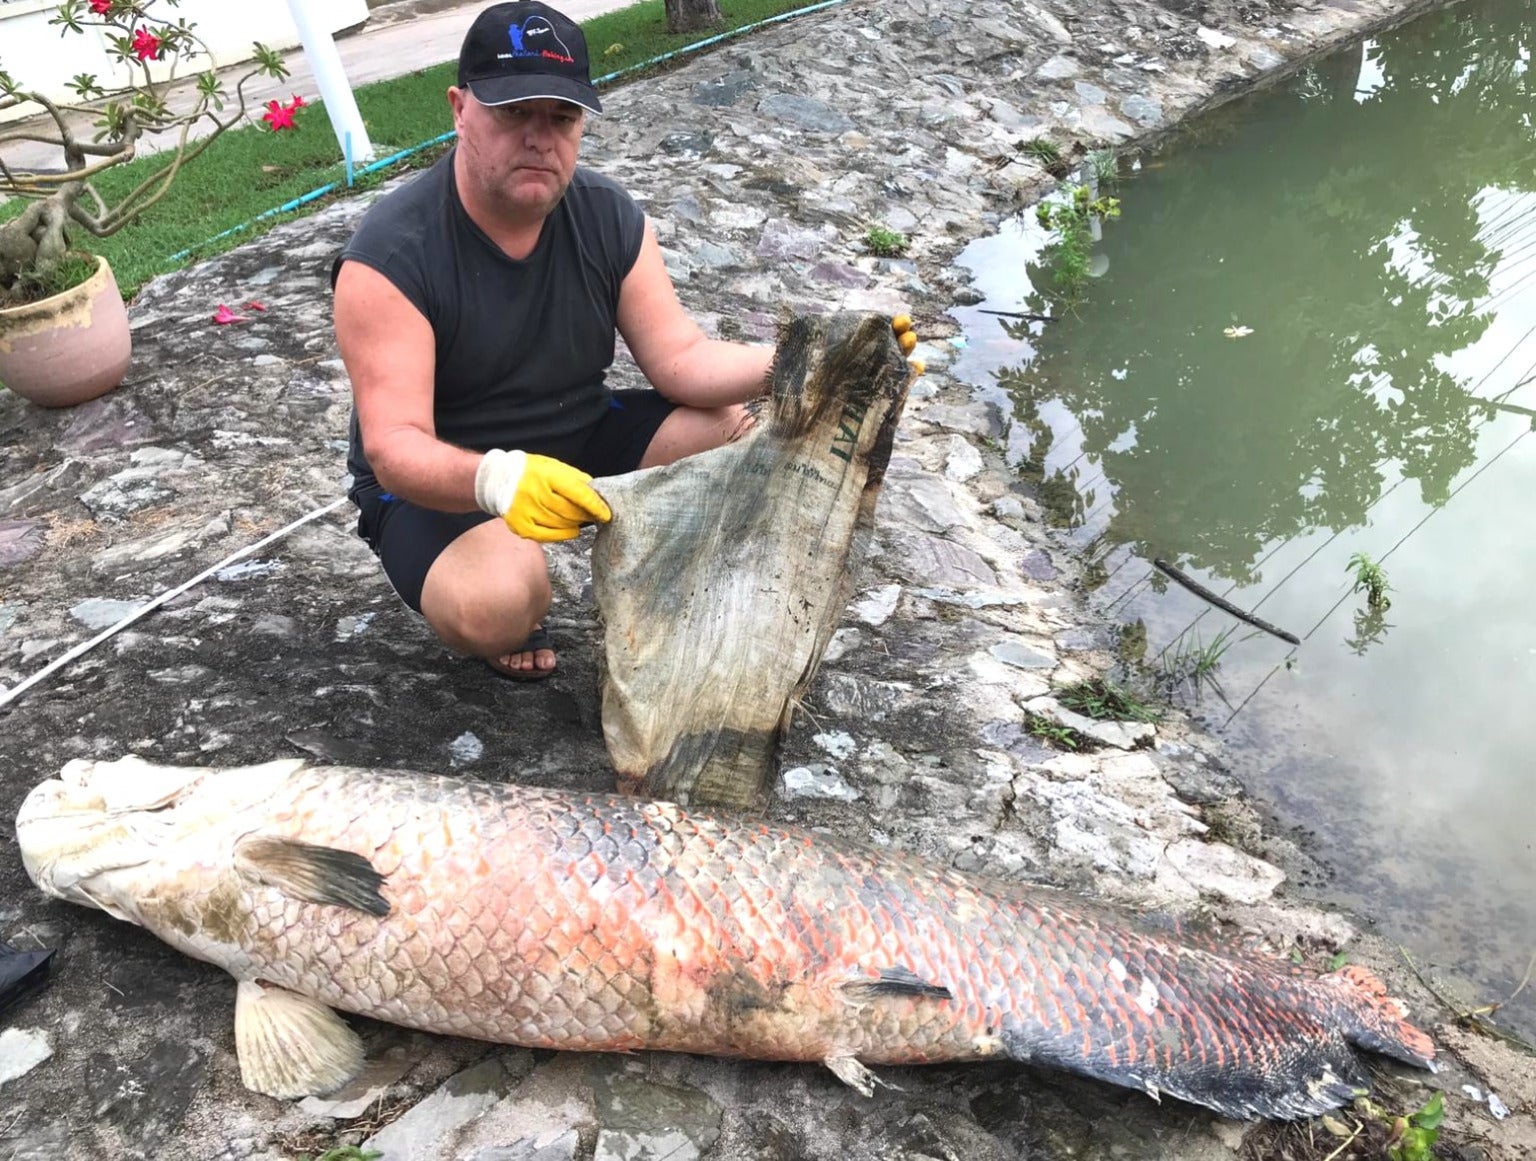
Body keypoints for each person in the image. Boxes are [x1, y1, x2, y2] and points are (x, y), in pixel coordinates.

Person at [333, 1, 917, 680]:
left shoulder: (611, 218)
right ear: (460, 109)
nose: (538, 138)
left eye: (561, 117)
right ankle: (499, 589)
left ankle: (675, 595)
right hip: (441, 479)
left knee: (737, 431)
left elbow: (683, 362)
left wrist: (814, 358)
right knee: (499, 601)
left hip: (572, 434)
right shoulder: (389, 256)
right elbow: (395, 447)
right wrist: (496, 480)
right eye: (513, 112)